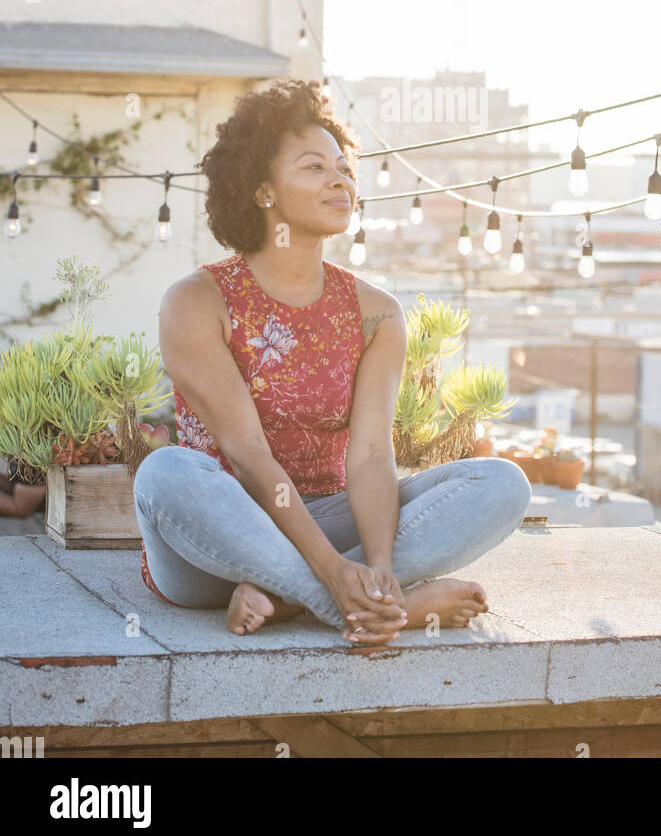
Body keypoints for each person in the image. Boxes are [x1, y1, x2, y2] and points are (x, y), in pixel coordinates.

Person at [133, 78, 531, 647]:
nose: (340, 180)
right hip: (218, 535)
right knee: (165, 472)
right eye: (314, 167)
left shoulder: (376, 313)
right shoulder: (197, 302)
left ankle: (300, 598)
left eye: (343, 167)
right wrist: (334, 574)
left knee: (501, 484)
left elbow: (370, 456)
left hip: (328, 518)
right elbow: (246, 455)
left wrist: (378, 566)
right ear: (263, 190)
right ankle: (348, 605)